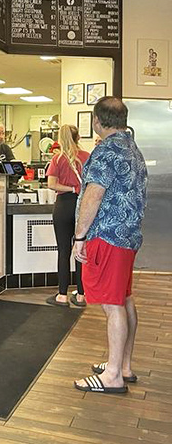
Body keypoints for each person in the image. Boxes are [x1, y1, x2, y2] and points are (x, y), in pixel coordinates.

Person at [72, 97, 148, 395]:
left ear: (96, 121)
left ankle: (113, 376)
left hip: (107, 237)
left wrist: (79, 237)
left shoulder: (105, 151)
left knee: (112, 305)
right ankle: (123, 365)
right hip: (128, 237)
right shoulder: (132, 147)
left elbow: (94, 195)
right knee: (124, 299)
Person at [45, 124, 90, 308]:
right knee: (80, 250)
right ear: (78, 137)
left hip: (63, 206)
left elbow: (51, 184)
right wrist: (78, 189)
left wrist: (70, 188)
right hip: (82, 206)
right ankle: (81, 295)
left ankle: (62, 295)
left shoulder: (57, 159)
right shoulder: (87, 156)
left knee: (63, 251)